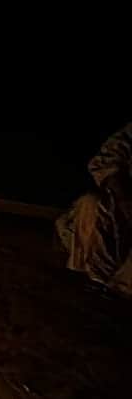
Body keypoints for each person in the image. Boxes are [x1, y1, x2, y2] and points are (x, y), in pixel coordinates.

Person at [57, 121, 132, 296]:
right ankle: (98, 276)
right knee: (90, 204)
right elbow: (108, 158)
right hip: (124, 201)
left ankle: (120, 285)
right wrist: (123, 198)